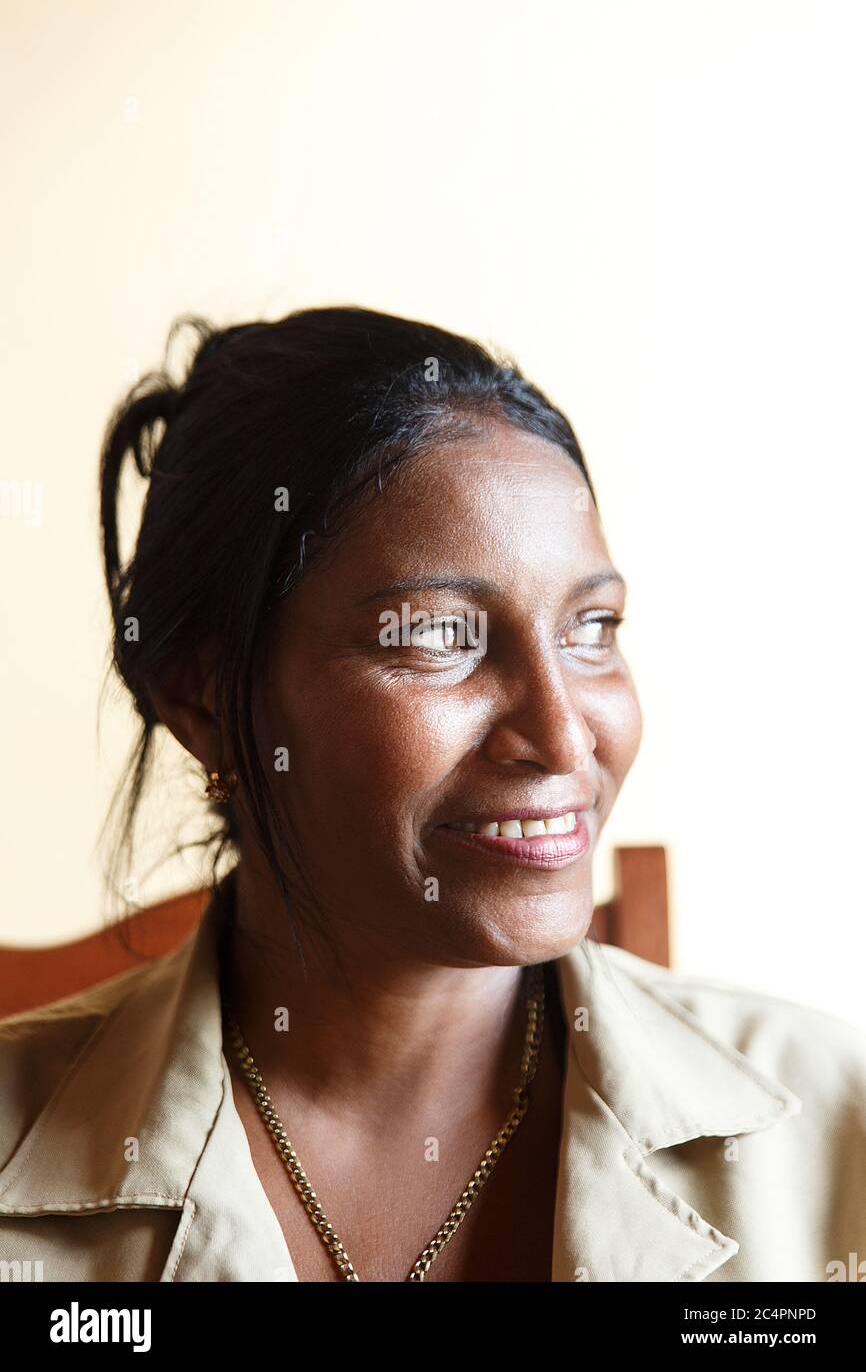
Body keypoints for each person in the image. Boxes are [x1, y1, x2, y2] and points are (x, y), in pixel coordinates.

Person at [1, 307, 864, 1283]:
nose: (560, 733)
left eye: (592, 626)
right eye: (435, 634)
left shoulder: (831, 1121)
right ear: (205, 699)